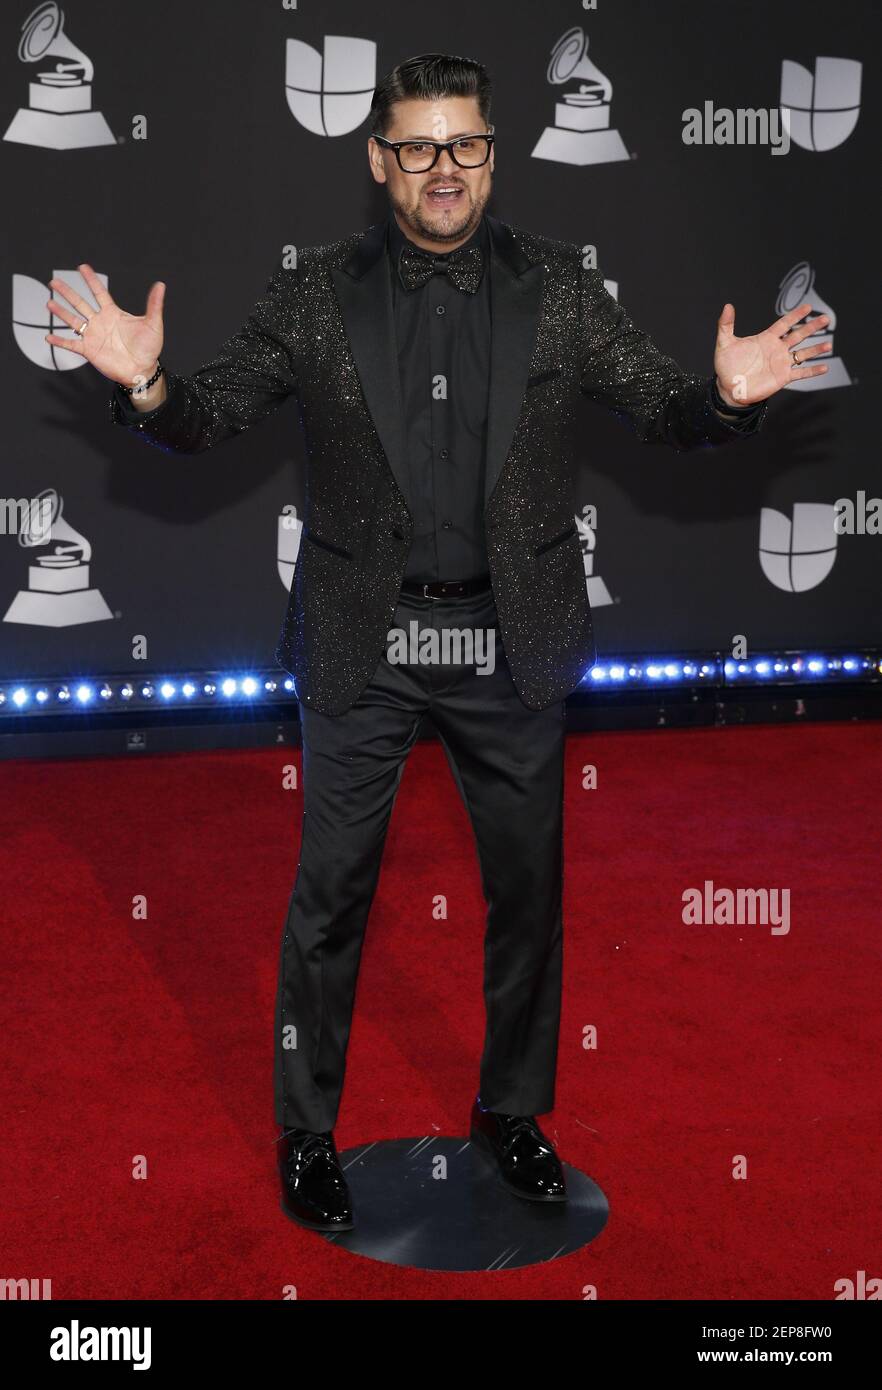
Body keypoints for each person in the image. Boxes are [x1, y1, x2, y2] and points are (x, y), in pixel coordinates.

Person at [47, 52, 830, 1234]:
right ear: (378, 162)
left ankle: (511, 1111)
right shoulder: (315, 293)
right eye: (417, 146)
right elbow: (207, 416)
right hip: (367, 637)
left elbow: (668, 409)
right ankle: (308, 1132)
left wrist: (728, 398)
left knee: (528, 891)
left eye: (464, 143)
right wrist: (150, 389)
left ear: (493, 152)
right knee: (330, 898)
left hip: (511, 637)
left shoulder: (561, 288)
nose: (443, 169)